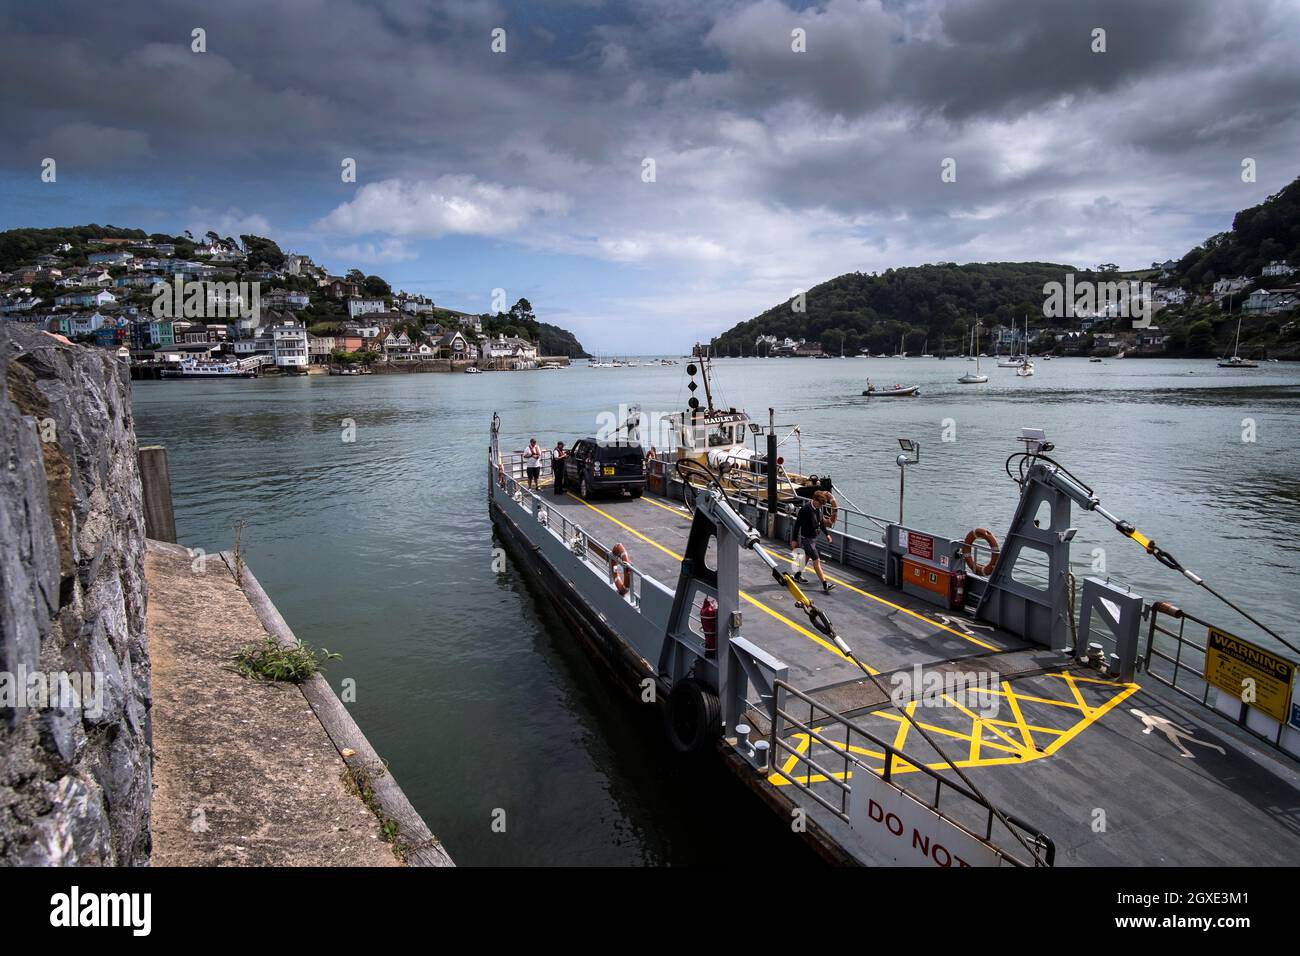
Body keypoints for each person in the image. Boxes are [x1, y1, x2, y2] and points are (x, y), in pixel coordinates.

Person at [790, 490, 835, 593]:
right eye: (819, 504)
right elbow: (797, 525)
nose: (820, 506)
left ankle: (797, 576)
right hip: (807, 539)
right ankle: (825, 584)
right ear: (814, 500)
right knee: (816, 561)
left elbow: (822, 523)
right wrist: (794, 540)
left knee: (806, 557)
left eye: (821, 505)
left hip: (813, 538)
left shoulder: (819, 508)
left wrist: (827, 534)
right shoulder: (805, 510)